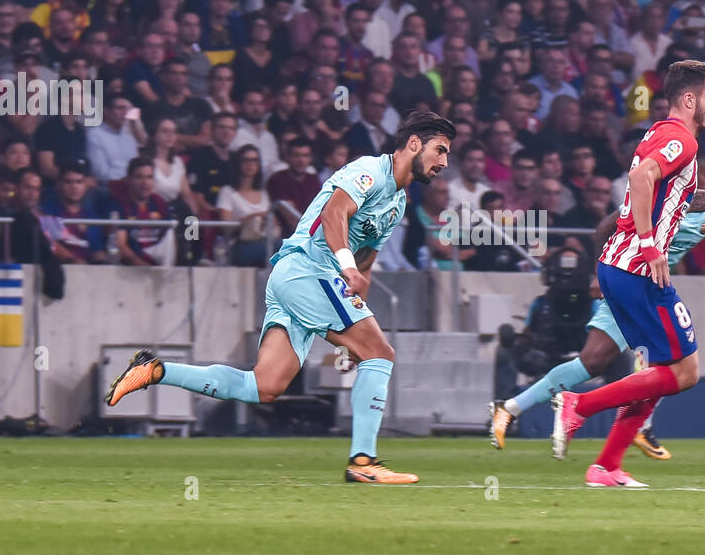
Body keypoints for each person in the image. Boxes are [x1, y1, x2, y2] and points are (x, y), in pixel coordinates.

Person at [105, 111, 456, 484]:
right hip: (309, 270)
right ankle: (363, 462)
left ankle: (155, 370)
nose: (444, 163)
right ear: (414, 144)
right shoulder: (369, 170)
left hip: (296, 279)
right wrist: (346, 268)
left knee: (264, 386)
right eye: (440, 150)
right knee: (382, 353)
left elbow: (366, 258)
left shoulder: (398, 203)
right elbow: (334, 212)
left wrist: (359, 299)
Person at [549, 60, 705, 487]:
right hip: (639, 270)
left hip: (618, 269)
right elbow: (640, 177)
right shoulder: (682, 140)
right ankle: (577, 405)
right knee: (685, 372)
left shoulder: (665, 137)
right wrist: (649, 244)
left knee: (659, 374)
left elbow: (692, 200)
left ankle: (606, 466)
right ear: (690, 99)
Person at [488, 153, 705, 457]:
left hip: (646, 288)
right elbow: (603, 229)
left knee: (594, 362)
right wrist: (598, 276)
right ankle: (634, 426)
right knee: (674, 364)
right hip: (628, 279)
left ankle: (511, 407)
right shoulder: (664, 194)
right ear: (694, 174)